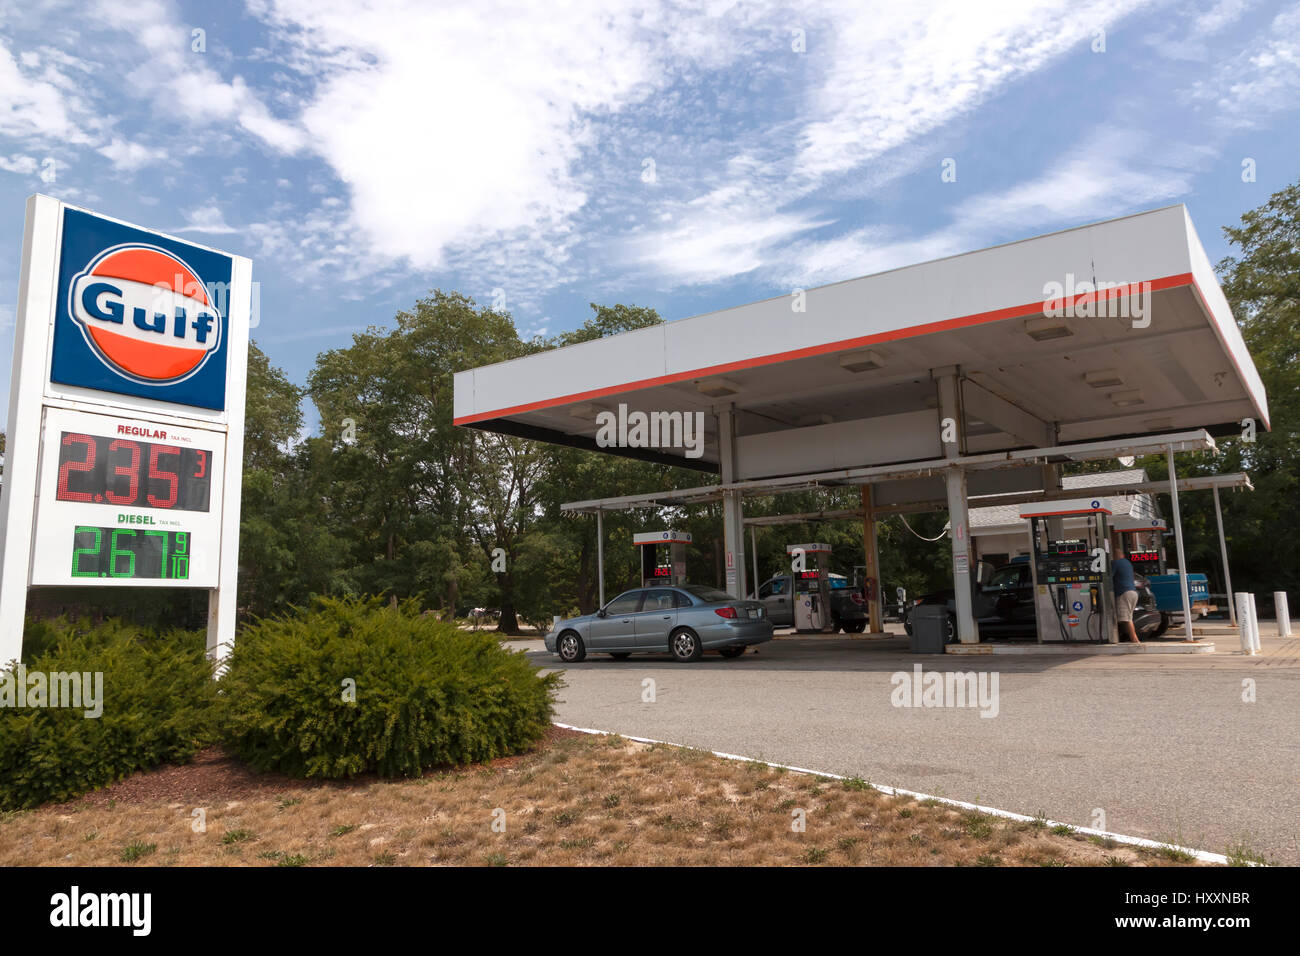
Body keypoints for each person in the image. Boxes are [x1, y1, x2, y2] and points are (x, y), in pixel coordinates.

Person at [1112, 542, 1140, 643]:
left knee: (1126, 619)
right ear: (1123, 555)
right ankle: (1130, 639)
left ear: (1115, 556)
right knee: (1128, 617)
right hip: (1133, 593)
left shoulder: (1116, 563)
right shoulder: (1128, 563)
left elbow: (1108, 577)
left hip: (1124, 593)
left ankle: (1135, 640)